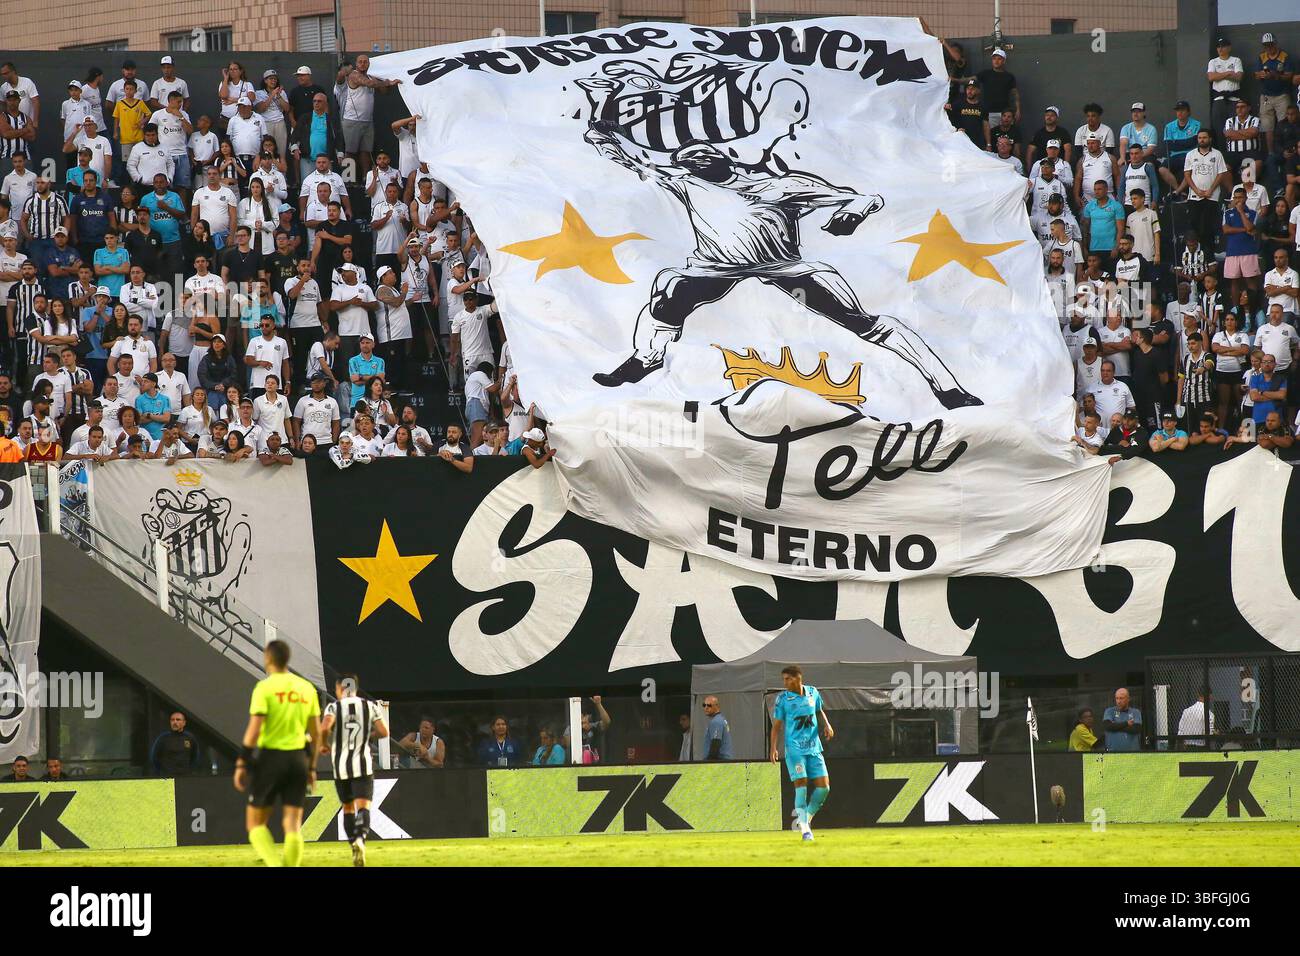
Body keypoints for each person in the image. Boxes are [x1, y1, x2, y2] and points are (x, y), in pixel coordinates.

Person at [582, 122, 981, 409]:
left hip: (785, 267)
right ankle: (645, 359)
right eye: (688, 160)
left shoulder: (780, 185)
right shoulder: (687, 183)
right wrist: (603, 138)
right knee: (668, 287)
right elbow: (636, 163)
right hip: (716, 266)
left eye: (701, 155)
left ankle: (947, 387)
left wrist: (855, 213)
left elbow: (861, 196)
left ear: (723, 157)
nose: (693, 163)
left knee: (862, 321)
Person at [234, 639, 322, 869]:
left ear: (268, 658)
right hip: (298, 760)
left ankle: (275, 865)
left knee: (255, 824)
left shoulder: (265, 688)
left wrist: (242, 762)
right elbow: (317, 734)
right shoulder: (306, 688)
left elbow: (253, 731)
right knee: (293, 825)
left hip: (271, 759)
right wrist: (312, 767)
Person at [318, 672, 389, 867]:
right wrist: (367, 734)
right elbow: (384, 732)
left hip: (341, 767)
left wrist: (324, 744)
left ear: (340, 688)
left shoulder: (333, 706)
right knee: (363, 807)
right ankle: (361, 839)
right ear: (355, 688)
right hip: (363, 765)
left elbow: (324, 728)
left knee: (348, 808)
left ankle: (353, 846)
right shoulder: (369, 706)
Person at [771, 664, 832, 841]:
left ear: (798, 678)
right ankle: (805, 829)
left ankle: (806, 817)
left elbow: (819, 710)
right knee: (802, 783)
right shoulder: (782, 699)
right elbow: (776, 727)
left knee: (824, 788)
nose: (785, 682)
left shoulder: (813, 692)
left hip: (814, 747)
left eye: (788, 679)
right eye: (783, 679)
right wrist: (773, 748)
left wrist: (827, 725)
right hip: (795, 749)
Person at [149, 711, 200, 776]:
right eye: (172, 720)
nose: (175, 722)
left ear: (184, 723)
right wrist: (162, 772)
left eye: (178, 720)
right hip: (167, 777)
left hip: (185, 776)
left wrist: (189, 770)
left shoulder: (190, 738)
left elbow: (195, 757)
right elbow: (154, 758)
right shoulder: (163, 738)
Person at [1101, 687, 1142, 752]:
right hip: (1113, 752)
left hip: (1132, 753)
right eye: (1117, 698)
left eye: (1121, 698)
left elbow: (1135, 729)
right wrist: (1126, 723)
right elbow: (1108, 726)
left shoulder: (1135, 712)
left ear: (1128, 699)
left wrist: (1115, 726)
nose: (1118, 701)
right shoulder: (1109, 711)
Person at [701, 695, 733, 760]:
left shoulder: (716, 721)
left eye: (709, 705)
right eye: (704, 705)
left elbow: (716, 743)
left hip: (720, 762)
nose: (706, 707)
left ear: (717, 706)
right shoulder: (721, 719)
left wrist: (709, 762)